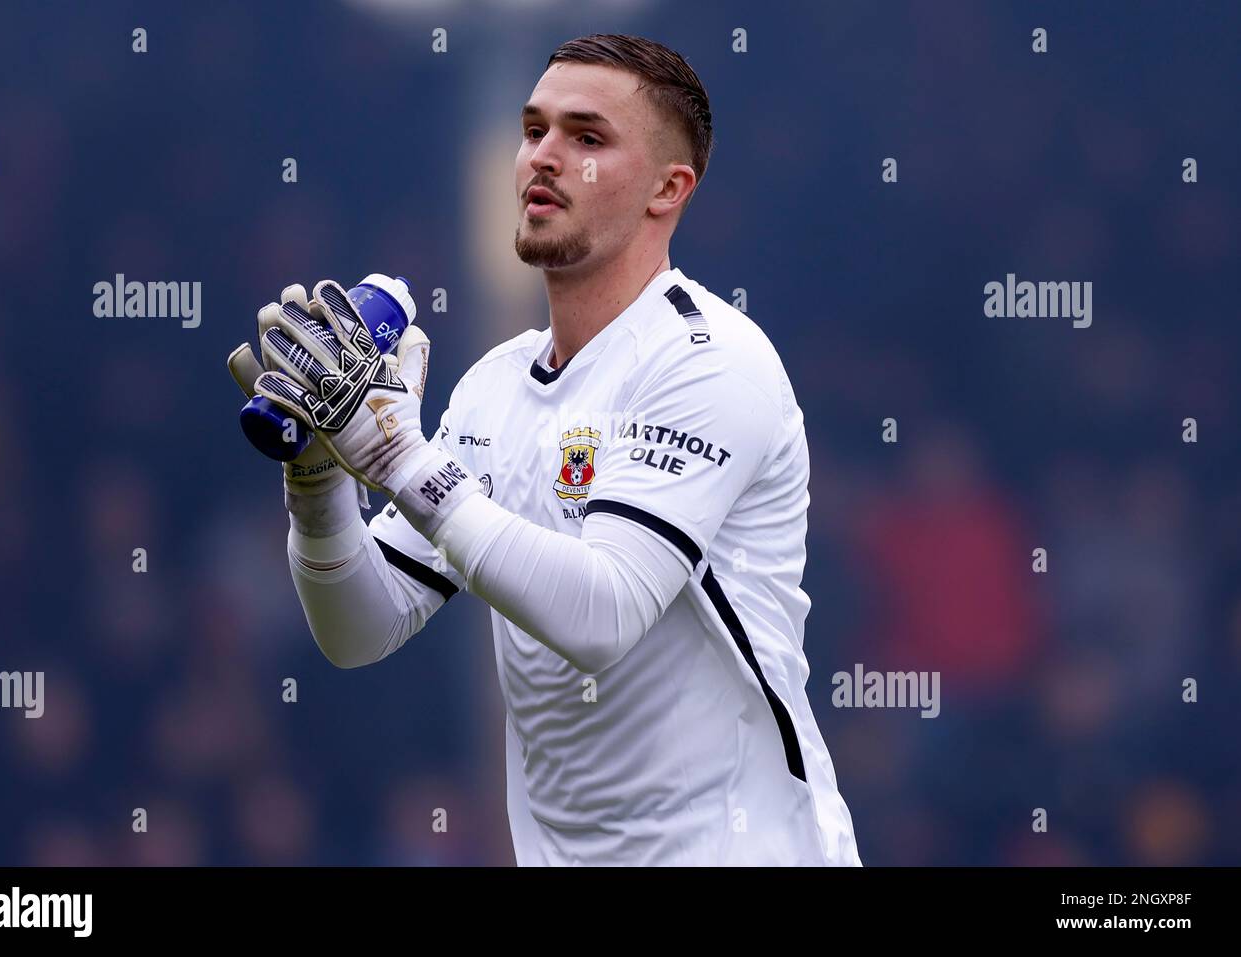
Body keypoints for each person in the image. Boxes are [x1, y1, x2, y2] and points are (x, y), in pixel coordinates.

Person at [227, 33, 859, 866]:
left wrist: (400, 461)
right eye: (534, 131)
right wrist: (317, 480)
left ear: (669, 189)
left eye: (587, 138)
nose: (543, 157)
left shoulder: (712, 362)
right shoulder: (495, 385)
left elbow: (599, 614)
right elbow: (359, 627)